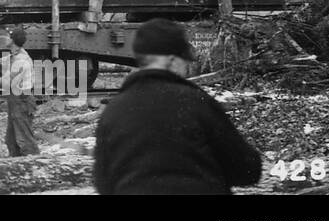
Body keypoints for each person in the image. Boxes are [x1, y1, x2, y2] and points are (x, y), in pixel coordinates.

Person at [94, 18, 261, 194]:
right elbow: (247, 170)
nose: (187, 68)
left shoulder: (113, 112)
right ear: (172, 61)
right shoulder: (197, 102)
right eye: (185, 61)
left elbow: (103, 183)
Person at [4, 28, 40, 157]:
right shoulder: (16, 55)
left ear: (12, 40)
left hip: (21, 101)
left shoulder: (20, 60)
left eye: (8, 37)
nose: (5, 38)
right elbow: (1, 61)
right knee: (11, 140)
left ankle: (36, 165)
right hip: (16, 101)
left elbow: (6, 80)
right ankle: (16, 167)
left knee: (25, 141)